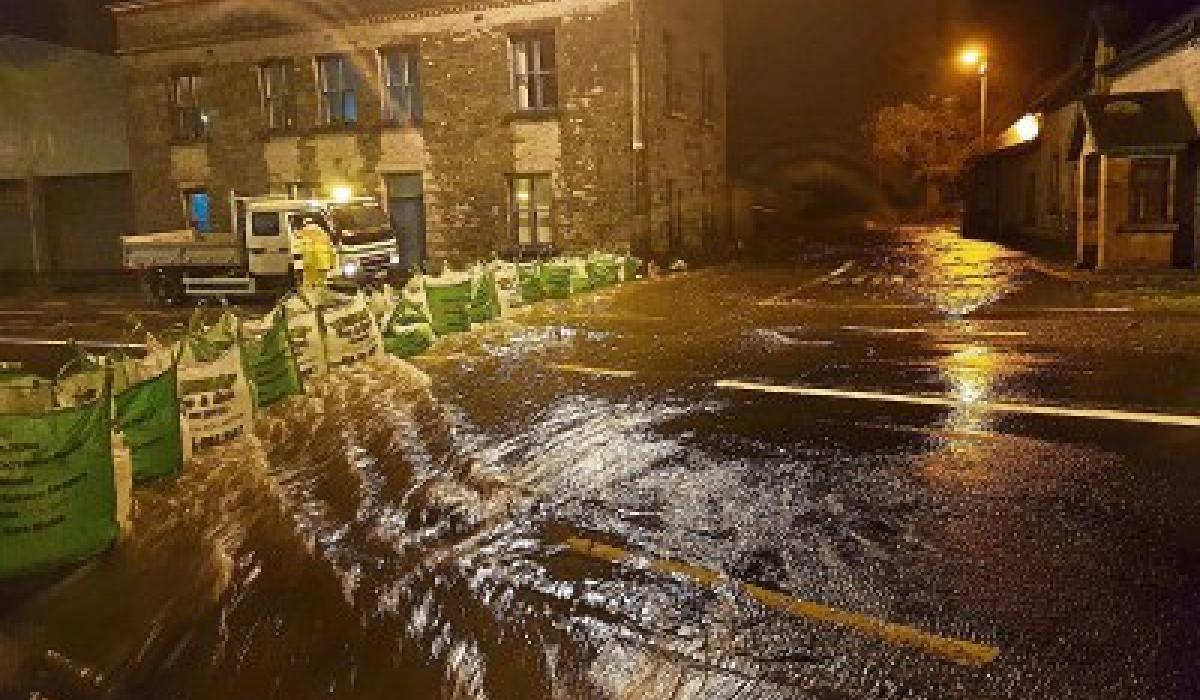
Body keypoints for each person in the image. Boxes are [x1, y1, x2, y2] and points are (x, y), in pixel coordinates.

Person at [297, 218, 335, 290]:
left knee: (310, 283)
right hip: (324, 263)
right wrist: (332, 263)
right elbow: (331, 249)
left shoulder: (304, 232)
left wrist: (303, 263)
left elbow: (303, 248)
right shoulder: (323, 232)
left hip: (311, 263)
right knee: (322, 283)